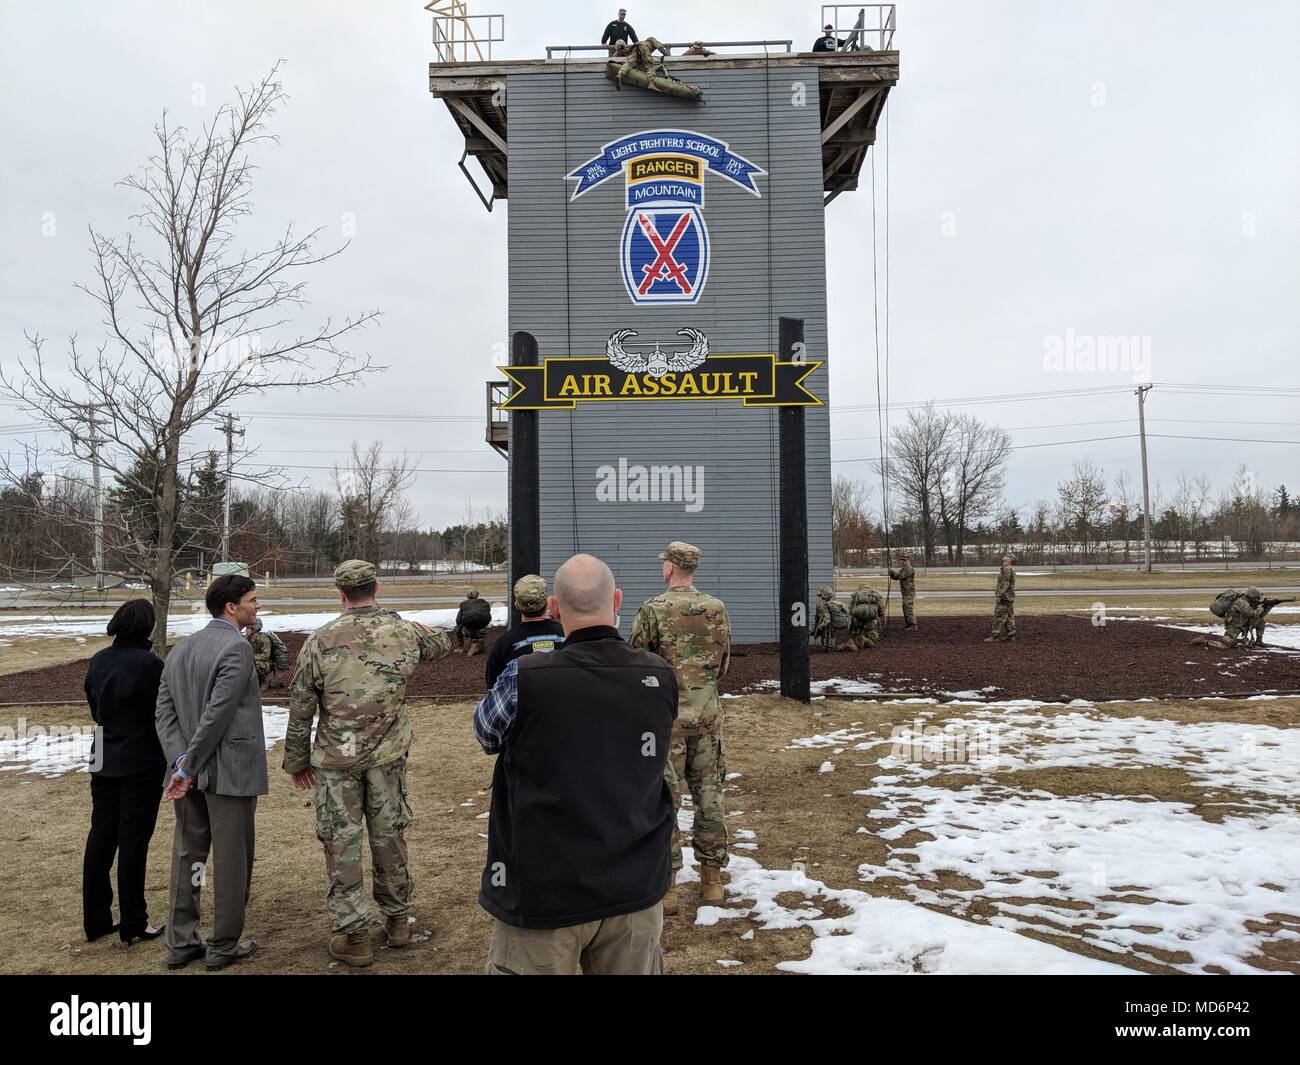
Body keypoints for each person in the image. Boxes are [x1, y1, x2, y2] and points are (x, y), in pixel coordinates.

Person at [474, 553, 675, 975]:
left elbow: (486, 734)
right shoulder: (658, 674)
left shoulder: (523, 676)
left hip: (544, 894)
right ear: (617, 601)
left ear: (554, 608)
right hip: (634, 887)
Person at [284, 560, 453, 967]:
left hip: (336, 760)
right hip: (388, 758)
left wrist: (296, 760)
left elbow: (301, 705)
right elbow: (442, 643)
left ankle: (355, 935)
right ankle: (398, 922)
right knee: (389, 835)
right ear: (376, 587)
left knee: (341, 843)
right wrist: (397, 622)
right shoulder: (404, 631)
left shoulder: (320, 641)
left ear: (340, 593)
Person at [154, 573, 266, 970]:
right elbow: (217, 714)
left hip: (190, 775)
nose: (258, 606)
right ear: (231, 607)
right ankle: (223, 945)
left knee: (190, 857)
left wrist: (180, 763)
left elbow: (164, 715)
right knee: (232, 860)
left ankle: (181, 940)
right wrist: (188, 765)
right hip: (226, 774)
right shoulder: (236, 648)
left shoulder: (180, 650)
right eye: (252, 600)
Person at [629, 542, 731, 914]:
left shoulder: (654, 610)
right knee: (710, 797)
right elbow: (722, 664)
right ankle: (712, 882)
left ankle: (668, 886)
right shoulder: (716, 608)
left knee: (664, 801)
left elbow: (637, 662)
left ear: (670, 568)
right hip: (706, 718)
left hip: (664, 722)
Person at [82, 599, 167, 947]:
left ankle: (96, 919)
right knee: (133, 841)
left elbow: (94, 707)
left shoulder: (99, 660)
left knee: (101, 836)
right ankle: (134, 922)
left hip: (103, 753)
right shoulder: (150, 665)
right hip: (140, 760)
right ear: (147, 627)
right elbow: (160, 713)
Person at [484, 574, 566, 690]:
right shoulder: (567, 636)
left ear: (517, 605)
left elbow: (493, 689)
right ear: (547, 602)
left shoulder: (503, 645)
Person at [1190, 587, 1263, 650]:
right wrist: (1262, 607)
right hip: (1234, 626)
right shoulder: (1241, 602)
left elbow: (1257, 615)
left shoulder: (1247, 602)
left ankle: (1259, 642)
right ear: (1252, 595)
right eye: (1257, 597)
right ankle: (1203, 641)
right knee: (1224, 645)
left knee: (1260, 622)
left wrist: (1267, 606)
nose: (1258, 599)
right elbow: (1253, 614)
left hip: (1243, 624)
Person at [245, 617, 290, 687]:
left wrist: (251, 657)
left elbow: (266, 656)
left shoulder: (264, 639)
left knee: (254, 664)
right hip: (255, 660)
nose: (246, 630)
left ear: (254, 629)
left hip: (266, 663)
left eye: (248, 628)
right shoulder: (247, 639)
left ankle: (263, 681)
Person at [811, 585, 854, 651]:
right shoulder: (833, 603)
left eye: (820, 596)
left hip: (834, 624)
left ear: (823, 596)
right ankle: (835, 643)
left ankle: (845, 645)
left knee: (830, 649)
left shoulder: (822, 605)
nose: (819, 597)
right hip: (845, 621)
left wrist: (820, 627)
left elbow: (827, 620)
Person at [985, 555, 1017, 642]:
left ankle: (995, 636)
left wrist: (999, 595)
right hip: (1009, 597)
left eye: (1006, 556)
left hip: (1005, 597)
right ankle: (1011, 635)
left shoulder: (1006, 569)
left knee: (999, 616)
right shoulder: (1010, 568)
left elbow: (1005, 584)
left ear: (1010, 560)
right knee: (1009, 616)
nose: (1004, 557)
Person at [454, 588, 492, 656]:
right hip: (482, 631)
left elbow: (458, 621)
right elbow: (488, 616)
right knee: (477, 625)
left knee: (457, 628)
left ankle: (460, 648)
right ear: (477, 595)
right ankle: (477, 643)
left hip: (468, 631)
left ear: (468, 596)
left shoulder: (463, 604)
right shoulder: (484, 603)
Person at [887, 551, 917, 629]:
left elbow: (900, 576)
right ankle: (909, 624)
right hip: (905, 592)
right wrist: (891, 574)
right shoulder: (903, 569)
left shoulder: (909, 569)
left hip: (909, 592)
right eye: (902, 560)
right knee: (905, 608)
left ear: (908, 560)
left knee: (908, 608)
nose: (903, 561)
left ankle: (913, 625)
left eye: (905, 560)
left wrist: (893, 571)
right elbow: (896, 577)